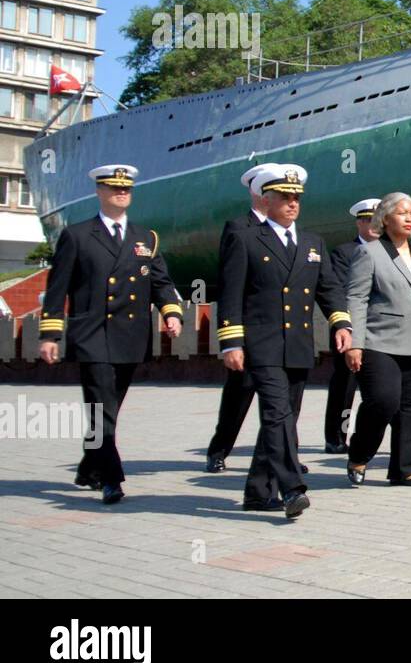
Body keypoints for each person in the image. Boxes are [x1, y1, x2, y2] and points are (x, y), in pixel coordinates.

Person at [38, 164, 184, 504]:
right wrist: (50, 334)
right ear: (100, 192)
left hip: (130, 334)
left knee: (108, 409)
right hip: (93, 334)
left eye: (127, 189)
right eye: (114, 188)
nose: (122, 193)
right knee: (100, 408)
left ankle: (90, 466)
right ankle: (111, 478)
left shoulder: (145, 237)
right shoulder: (77, 235)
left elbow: (159, 280)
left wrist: (171, 312)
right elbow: (58, 288)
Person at [217, 164, 351, 519]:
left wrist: (341, 322)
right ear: (267, 199)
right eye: (286, 198)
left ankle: (258, 493)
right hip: (261, 344)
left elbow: (329, 288)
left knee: (285, 418)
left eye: (297, 198)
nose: (293, 204)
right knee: (277, 415)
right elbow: (230, 293)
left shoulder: (312, 243)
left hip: (297, 345)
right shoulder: (246, 239)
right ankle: (292, 488)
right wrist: (231, 342)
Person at [343, 193, 411, 486]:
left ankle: (405, 468)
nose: (408, 219)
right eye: (402, 213)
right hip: (380, 342)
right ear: (385, 218)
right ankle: (359, 453)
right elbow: (356, 298)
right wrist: (355, 342)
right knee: (382, 402)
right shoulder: (370, 253)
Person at [206, 163, 277, 473]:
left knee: (285, 403)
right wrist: (231, 339)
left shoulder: (291, 232)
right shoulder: (239, 228)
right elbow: (231, 286)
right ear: (256, 190)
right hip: (250, 331)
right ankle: (219, 448)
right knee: (240, 393)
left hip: (283, 332)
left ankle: (283, 456)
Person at [323, 198, 380, 454]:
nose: (374, 225)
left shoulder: (392, 251)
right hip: (351, 328)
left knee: (387, 384)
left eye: (378, 220)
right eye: (368, 220)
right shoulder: (344, 253)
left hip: (382, 329)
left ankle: (404, 428)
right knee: (346, 386)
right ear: (359, 223)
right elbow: (342, 291)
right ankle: (336, 435)